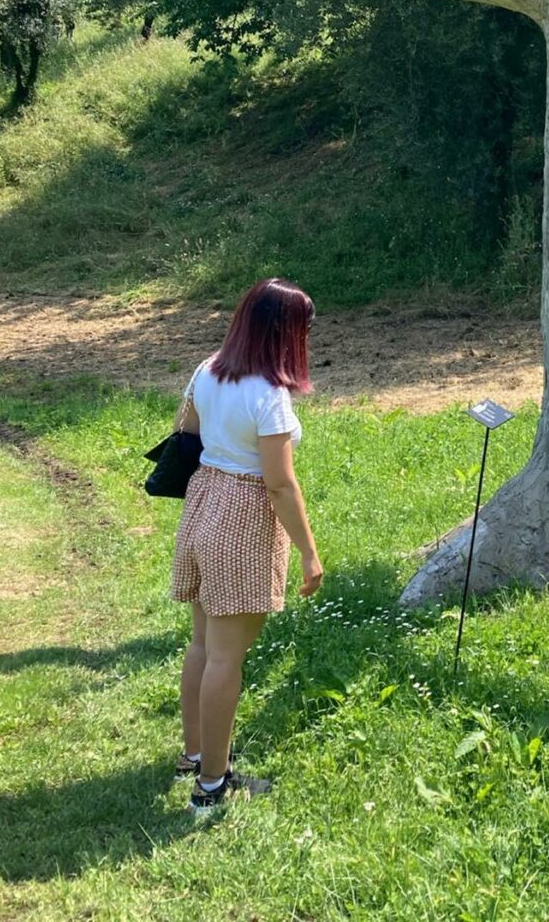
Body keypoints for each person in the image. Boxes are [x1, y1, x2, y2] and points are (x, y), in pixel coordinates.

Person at [169, 277, 323, 814]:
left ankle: (193, 754)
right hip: (244, 517)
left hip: (203, 501)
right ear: (285, 334)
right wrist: (308, 550)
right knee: (226, 659)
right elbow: (280, 483)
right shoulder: (269, 395)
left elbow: (186, 431)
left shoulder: (207, 369)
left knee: (203, 645)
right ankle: (212, 784)